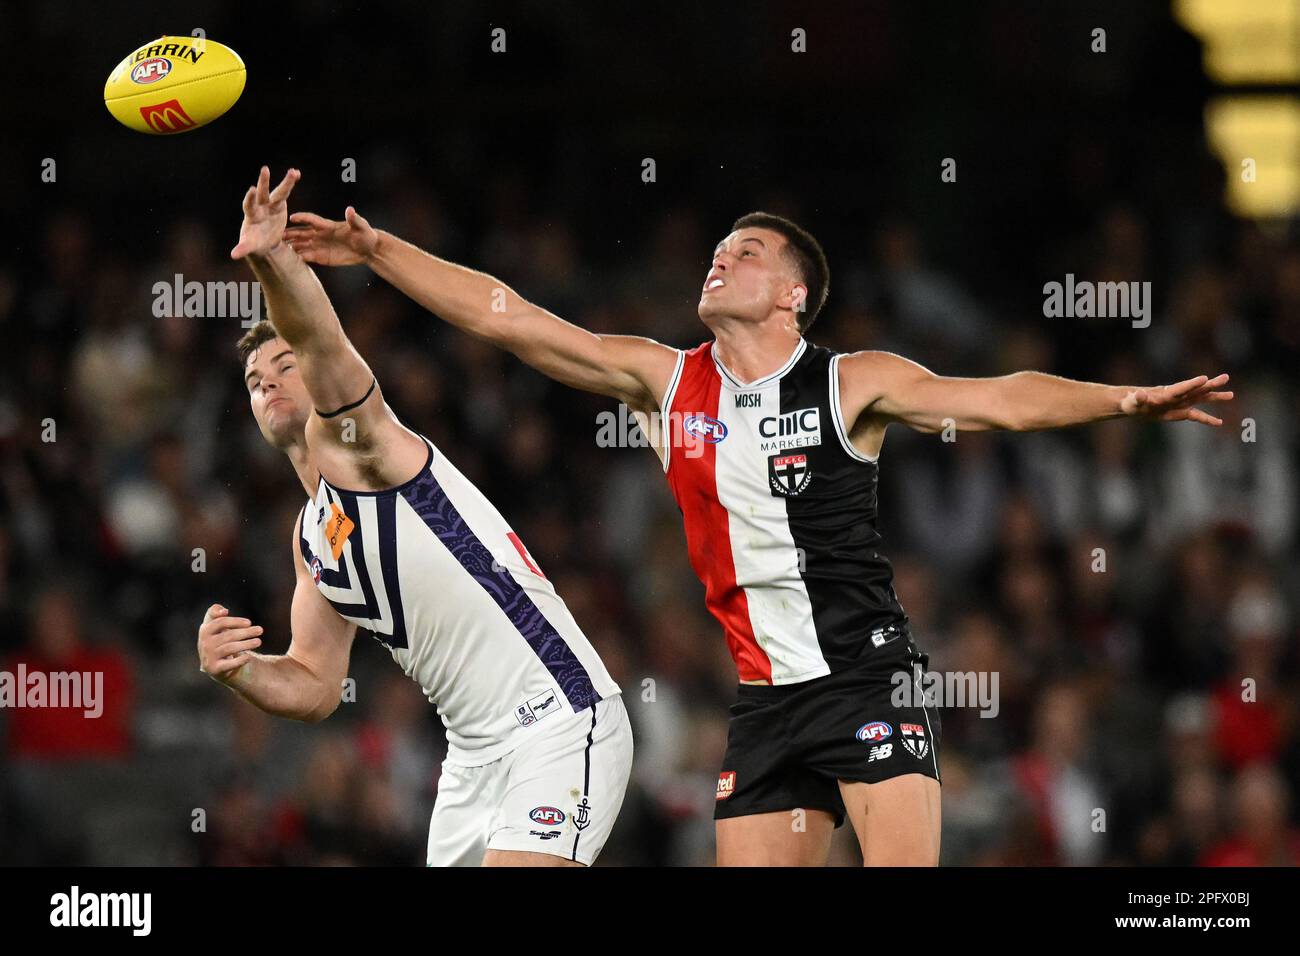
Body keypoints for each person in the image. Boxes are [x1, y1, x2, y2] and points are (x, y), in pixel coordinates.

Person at [285, 202, 1232, 866]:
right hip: (764, 705)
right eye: (718, 247)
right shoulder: (665, 383)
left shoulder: (850, 381)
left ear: (791, 295)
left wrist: (1126, 400)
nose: (719, 258)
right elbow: (513, 321)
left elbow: (998, 401)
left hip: (866, 677)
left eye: (745, 251)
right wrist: (380, 253)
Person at [197, 168, 632, 867]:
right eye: (253, 380)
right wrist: (239, 672)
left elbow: (324, 347)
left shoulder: (370, 451)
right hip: (470, 763)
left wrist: (274, 260)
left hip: (560, 722)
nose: (267, 380)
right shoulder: (311, 536)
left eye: (281, 364)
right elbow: (313, 684)